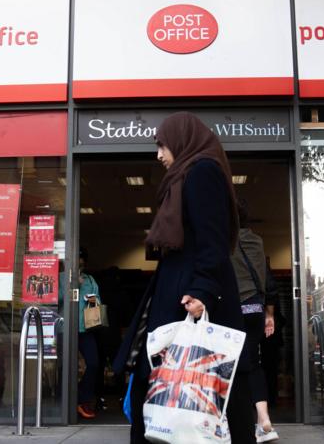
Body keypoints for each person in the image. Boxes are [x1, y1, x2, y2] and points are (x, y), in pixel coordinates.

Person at [113, 112, 254, 444]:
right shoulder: (185, 176)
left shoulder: (202, 172)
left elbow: (213, 238)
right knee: (170, 382)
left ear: (180, 140)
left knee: (194, 384)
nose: (159, 154)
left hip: (192, 297)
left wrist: (202, 288)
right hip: (180, 290)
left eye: (162, 145)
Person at [230, 199, 280, 442]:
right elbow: (269, 282)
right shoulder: (256, 241)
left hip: (234, 311)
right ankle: (263, 418)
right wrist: (269, 315)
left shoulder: (224, 243)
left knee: (232, 367)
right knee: (253, 363)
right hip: (256, 310)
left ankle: (232, 423)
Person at [77, 247, 102, 419]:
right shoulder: (62, 278)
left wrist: (94, 299)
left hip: (86, 328)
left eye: (81, 259)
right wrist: (74, 285)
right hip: (66, 328)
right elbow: (56, 298)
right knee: (65, 368)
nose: (80, 262)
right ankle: (62, 402)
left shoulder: (90, 279)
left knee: (93, 363)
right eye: (77, 258)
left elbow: (98, 300)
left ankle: (82, 399)